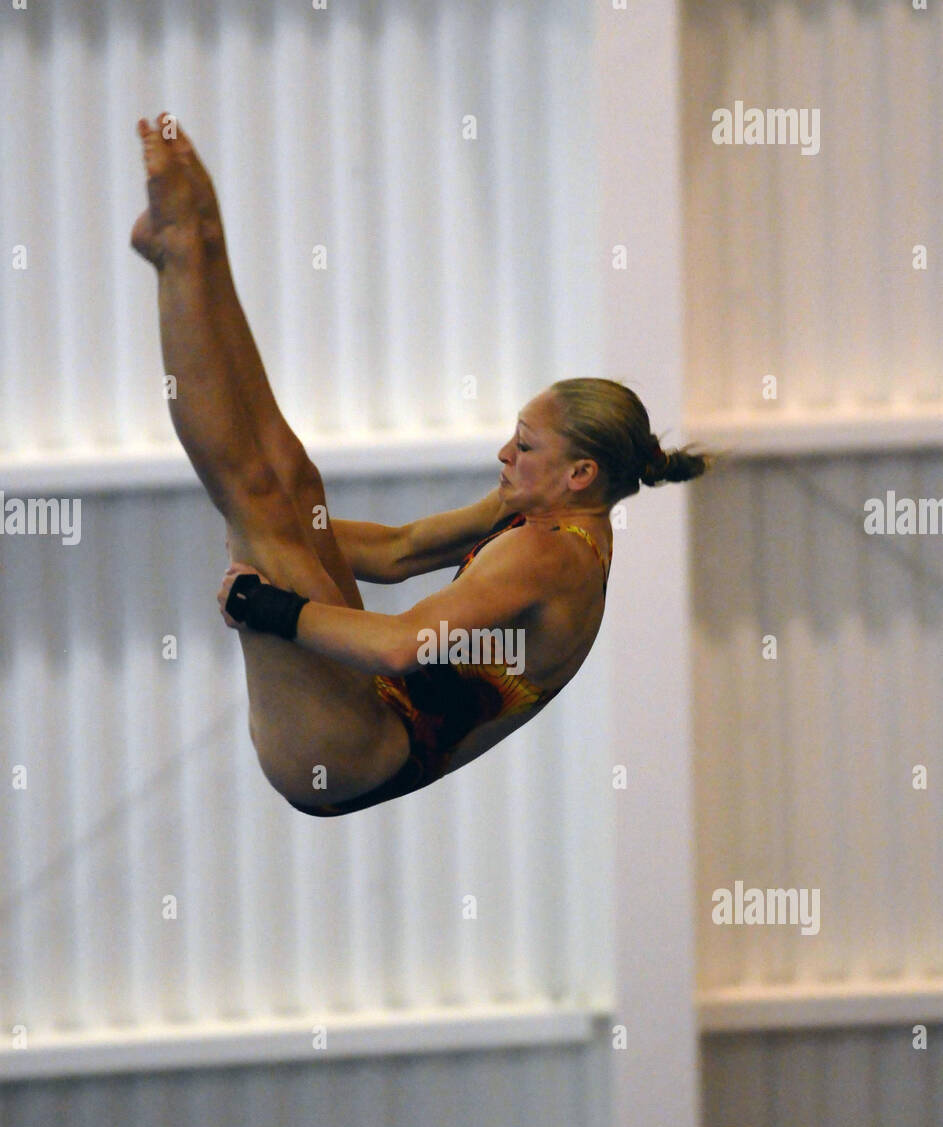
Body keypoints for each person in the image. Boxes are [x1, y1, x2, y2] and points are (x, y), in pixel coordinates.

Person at [131, 114, 711, 817]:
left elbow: (405, 646)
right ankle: (202, 244)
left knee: (257, 495)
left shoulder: (550, 556)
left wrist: (268, 602)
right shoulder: (533, 515)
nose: (503, 454)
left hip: (353, 754)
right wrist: (292, 526)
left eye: (525, 447)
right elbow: (398, 553)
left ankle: (182, 259)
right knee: (289, 484)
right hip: (369, 712)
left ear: (579, 474)